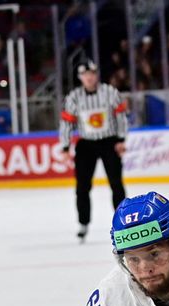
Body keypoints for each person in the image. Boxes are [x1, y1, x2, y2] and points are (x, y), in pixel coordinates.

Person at [58, 61, 128, 243]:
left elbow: (121, 117)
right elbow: (66, 123)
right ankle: (83, 223)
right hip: (86, 144)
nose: (89, 77)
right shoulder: (73, 97)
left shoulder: (110, 92)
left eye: (92, 73)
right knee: (82, 187)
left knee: (116, 184)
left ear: (96, 75)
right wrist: (65, 146)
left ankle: (124, 222)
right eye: (85, 74)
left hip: (109, 141)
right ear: (80, 77)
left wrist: (121, 139)